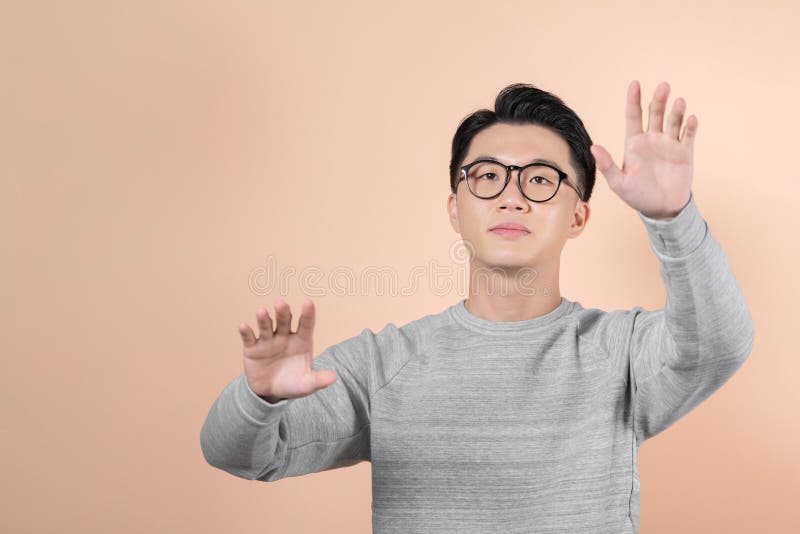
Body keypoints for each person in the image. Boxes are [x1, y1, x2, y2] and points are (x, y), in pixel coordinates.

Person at [200, 80, 754, 533]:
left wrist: (672, 218)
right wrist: (260, 396)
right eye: (487, 176)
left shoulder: (621, 353)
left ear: (579, 216)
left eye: (540, 179)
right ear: (454, 208)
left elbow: (721, 344)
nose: (511, 196)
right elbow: (242, 454)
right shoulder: (382, 364)